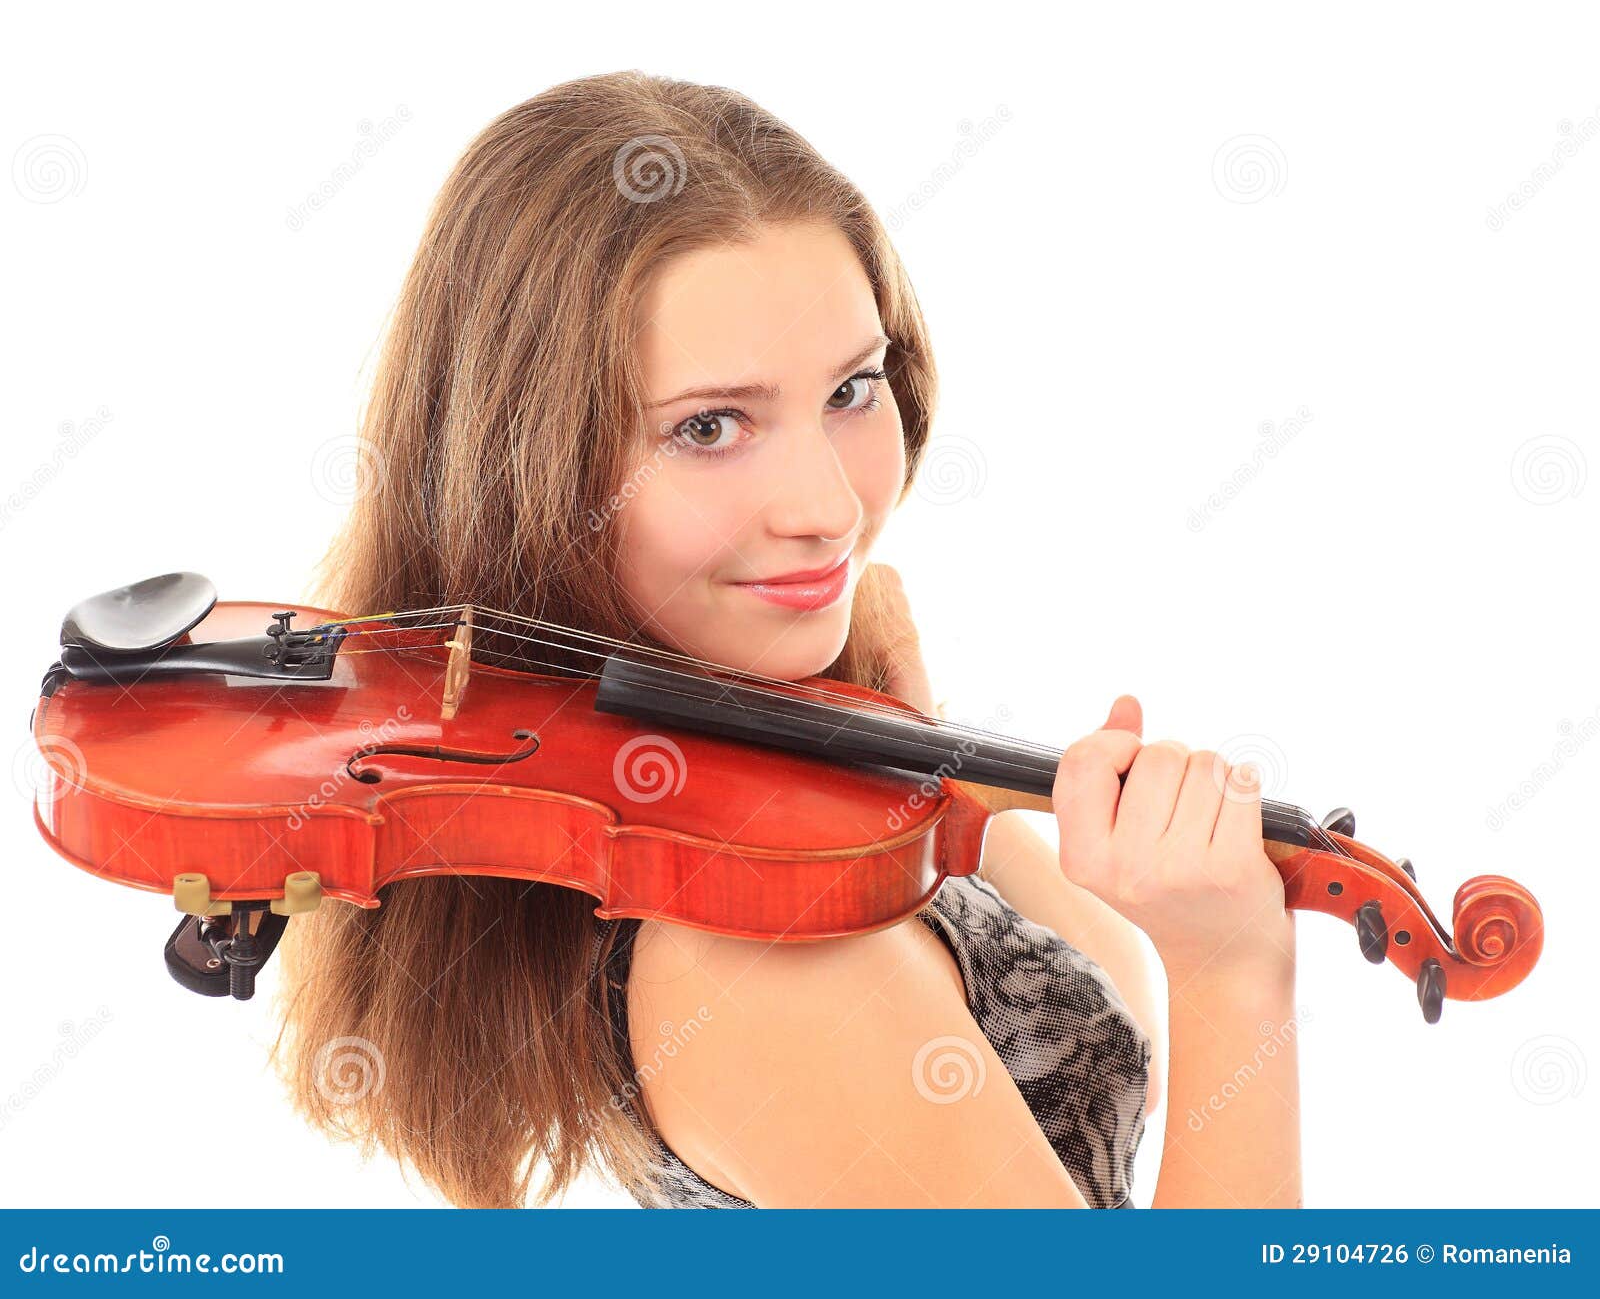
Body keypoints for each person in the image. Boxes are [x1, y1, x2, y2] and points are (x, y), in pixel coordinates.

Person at [273, 70, 1301, 1210]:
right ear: (532, 472)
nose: (828, 505)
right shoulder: (760, 962)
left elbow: (1091, 1024)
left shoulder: (760, 781)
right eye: (710, 426)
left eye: (852, 391)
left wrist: (917, 747)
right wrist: (1233, 978)